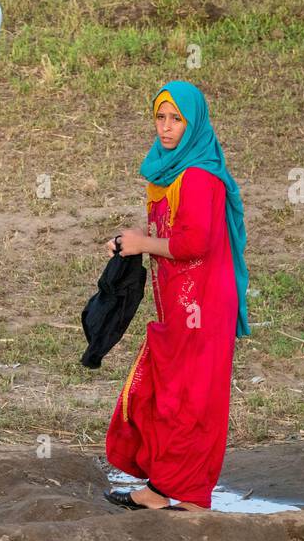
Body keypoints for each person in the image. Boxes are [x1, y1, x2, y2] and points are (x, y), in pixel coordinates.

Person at [104, 80, 250, 511]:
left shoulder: (200, 176)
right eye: (161, 118)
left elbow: (195, 244)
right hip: (181, 303)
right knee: (171, 389)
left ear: (194, 123)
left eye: (177, 120)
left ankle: (189, 498)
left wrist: (144, 244)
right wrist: (130, 242)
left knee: (191, 395)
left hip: (203, 306)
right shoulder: (168, 170)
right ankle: (162, 488)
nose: (166, 128)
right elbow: (173, 231)